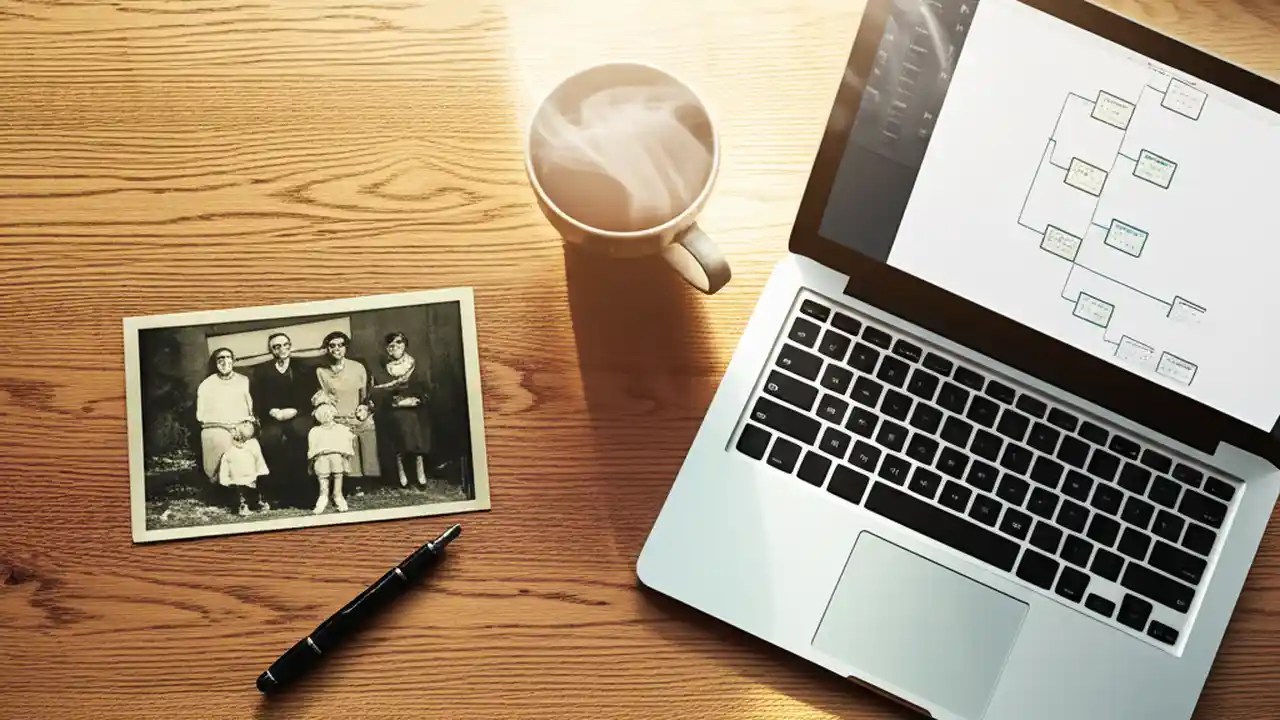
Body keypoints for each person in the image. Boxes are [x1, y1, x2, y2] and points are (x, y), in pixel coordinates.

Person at [249, 332, 317, 508]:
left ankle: (304, 495)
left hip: (299, 414)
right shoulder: (262, 371)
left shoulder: (303, 368)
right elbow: (258, 399)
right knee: (271, 438)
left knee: (298, 435)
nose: (282, 349)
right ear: (271, 350)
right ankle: (278, 495)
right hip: (273, 417)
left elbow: (311, 397)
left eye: (285, 344)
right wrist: (272, 411)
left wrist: (295, 410)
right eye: (276, 346)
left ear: (290, 345)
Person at [315, 330, 380, 480]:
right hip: (336, 417)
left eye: (340, 345)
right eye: (332, 346)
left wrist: (365, 408)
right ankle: (351, 478)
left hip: (357, 413)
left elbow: (366, 395)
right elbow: (320, 395)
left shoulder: (358, 368)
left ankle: (369, 476)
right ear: (327, 349)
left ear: (346, 348)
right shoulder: (321, 371)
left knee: (368, 426)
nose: (336, 349)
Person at [371, 332, 433, 487]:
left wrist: (417, 400)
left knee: (415, 422)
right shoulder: (383, 369)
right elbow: (378, 391)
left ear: (405, 345)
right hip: (394, 408)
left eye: (399, 343)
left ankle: (420, 469)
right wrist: (393, 401)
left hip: (416, 407)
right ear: (386, 349)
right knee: (398, 422)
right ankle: (401, 470)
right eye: (391, 345)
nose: (395, 347)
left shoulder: (415, 364)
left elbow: (426, 388)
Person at [195, 347, 255, 485]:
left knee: (248, 445)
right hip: (217, 426)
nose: (224, 362)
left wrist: (244, 426)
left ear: (233, 360)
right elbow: (203, 419)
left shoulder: (243, 381)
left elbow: (250, 411)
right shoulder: (207, 384)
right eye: (220, 359)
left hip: (241, 426)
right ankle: (224, 485)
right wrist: (225, 426)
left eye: (228, 357)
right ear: (215, 363)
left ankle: (247, 488)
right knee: (221, 440)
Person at [307, 401, 354, 514]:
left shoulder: (340, 429)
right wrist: (319, 454)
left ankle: (338, 494)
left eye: (329, 413)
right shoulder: (315, 431)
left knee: (336, 460)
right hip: (322, 457)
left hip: (337, 457)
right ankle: (323, 496)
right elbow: (312, 449)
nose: (327, 417)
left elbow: (348, 442)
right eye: (324, 415)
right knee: (322, 463)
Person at [218, 421, 270, 515]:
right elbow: (226, 461)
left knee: (254, 486)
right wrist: (225, 477)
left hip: (251, 474)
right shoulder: (229, 449)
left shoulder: (253, 444)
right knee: (240, 488)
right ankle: (242, 505)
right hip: (237, 475)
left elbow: (258, 459)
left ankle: (257, 501)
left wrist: (260, 471)